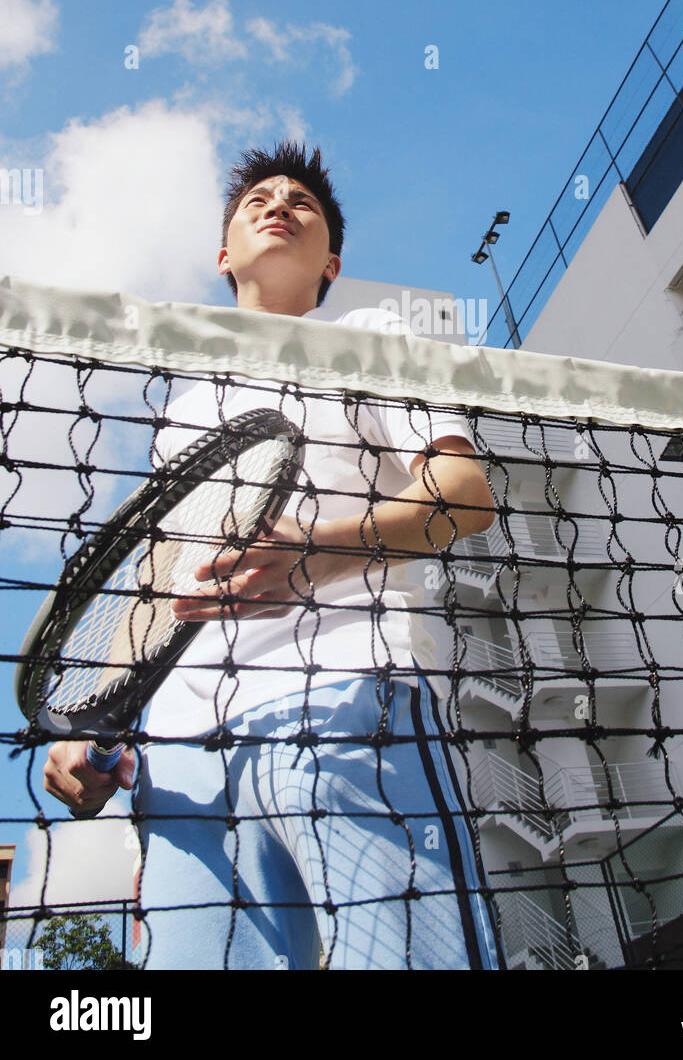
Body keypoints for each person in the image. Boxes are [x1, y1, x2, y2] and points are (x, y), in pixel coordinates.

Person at [43, 141, 502, 970]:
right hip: (184, 760)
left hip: (346, 701)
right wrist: (99, 715)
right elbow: (155, 581)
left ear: (331, 260)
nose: (279, 201)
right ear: (225, 253)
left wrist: (315, 559)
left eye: (304, 201)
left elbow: (464, 493)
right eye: (258, 196)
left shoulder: (371, 335)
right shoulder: (183, 406)